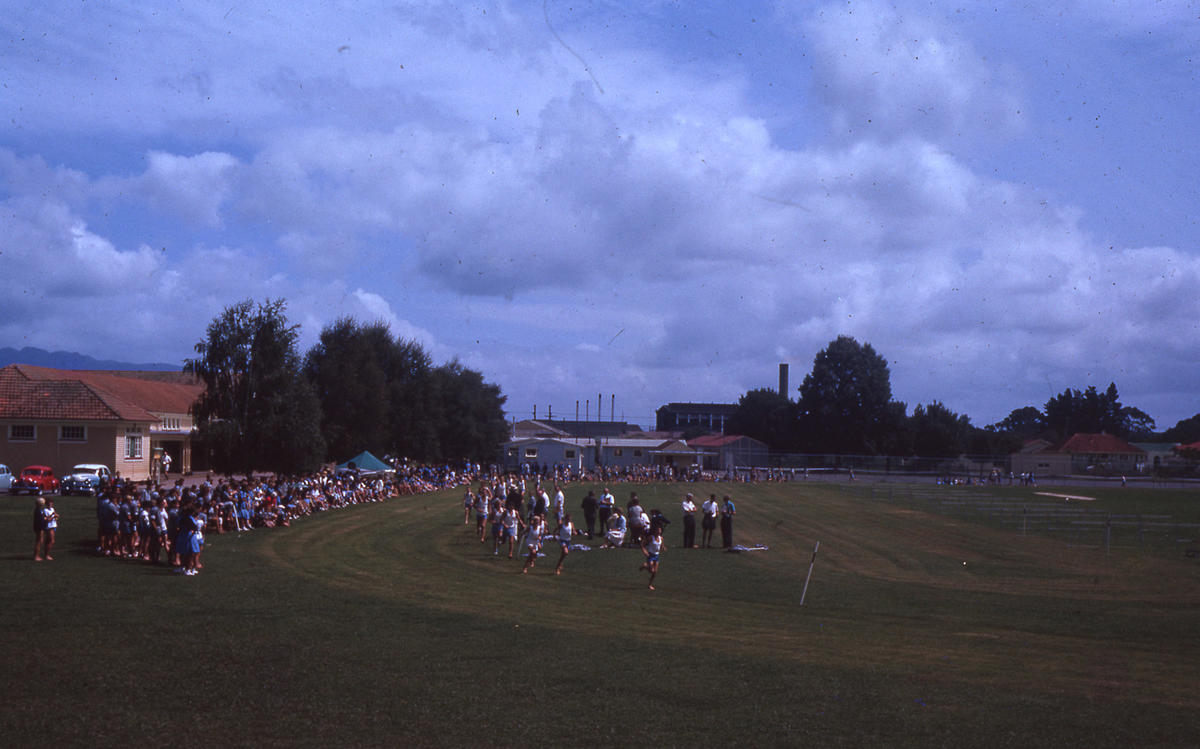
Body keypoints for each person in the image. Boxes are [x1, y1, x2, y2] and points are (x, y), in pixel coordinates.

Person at [639, 524, 663, 591]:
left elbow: (661, 545)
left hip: (656, 556)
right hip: (651, 555)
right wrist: (645, 552)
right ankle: (645, 566)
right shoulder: (651, 538)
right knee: (651, 570)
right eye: (658, 530)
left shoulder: (661, 538)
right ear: (655, 531)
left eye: (660, 530)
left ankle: (650, 584)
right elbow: (642, 545)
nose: (659, 531)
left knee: (655, 572)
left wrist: (662, 548)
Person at [33, 496, 47, 561]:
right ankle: (36, 556)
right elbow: (39, 520)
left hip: (40, 526)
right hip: (39, 527)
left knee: (40, 541)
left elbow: (42, 518)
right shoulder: (38, 510)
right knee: (39, 541)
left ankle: (37, 555)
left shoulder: (39, 510)